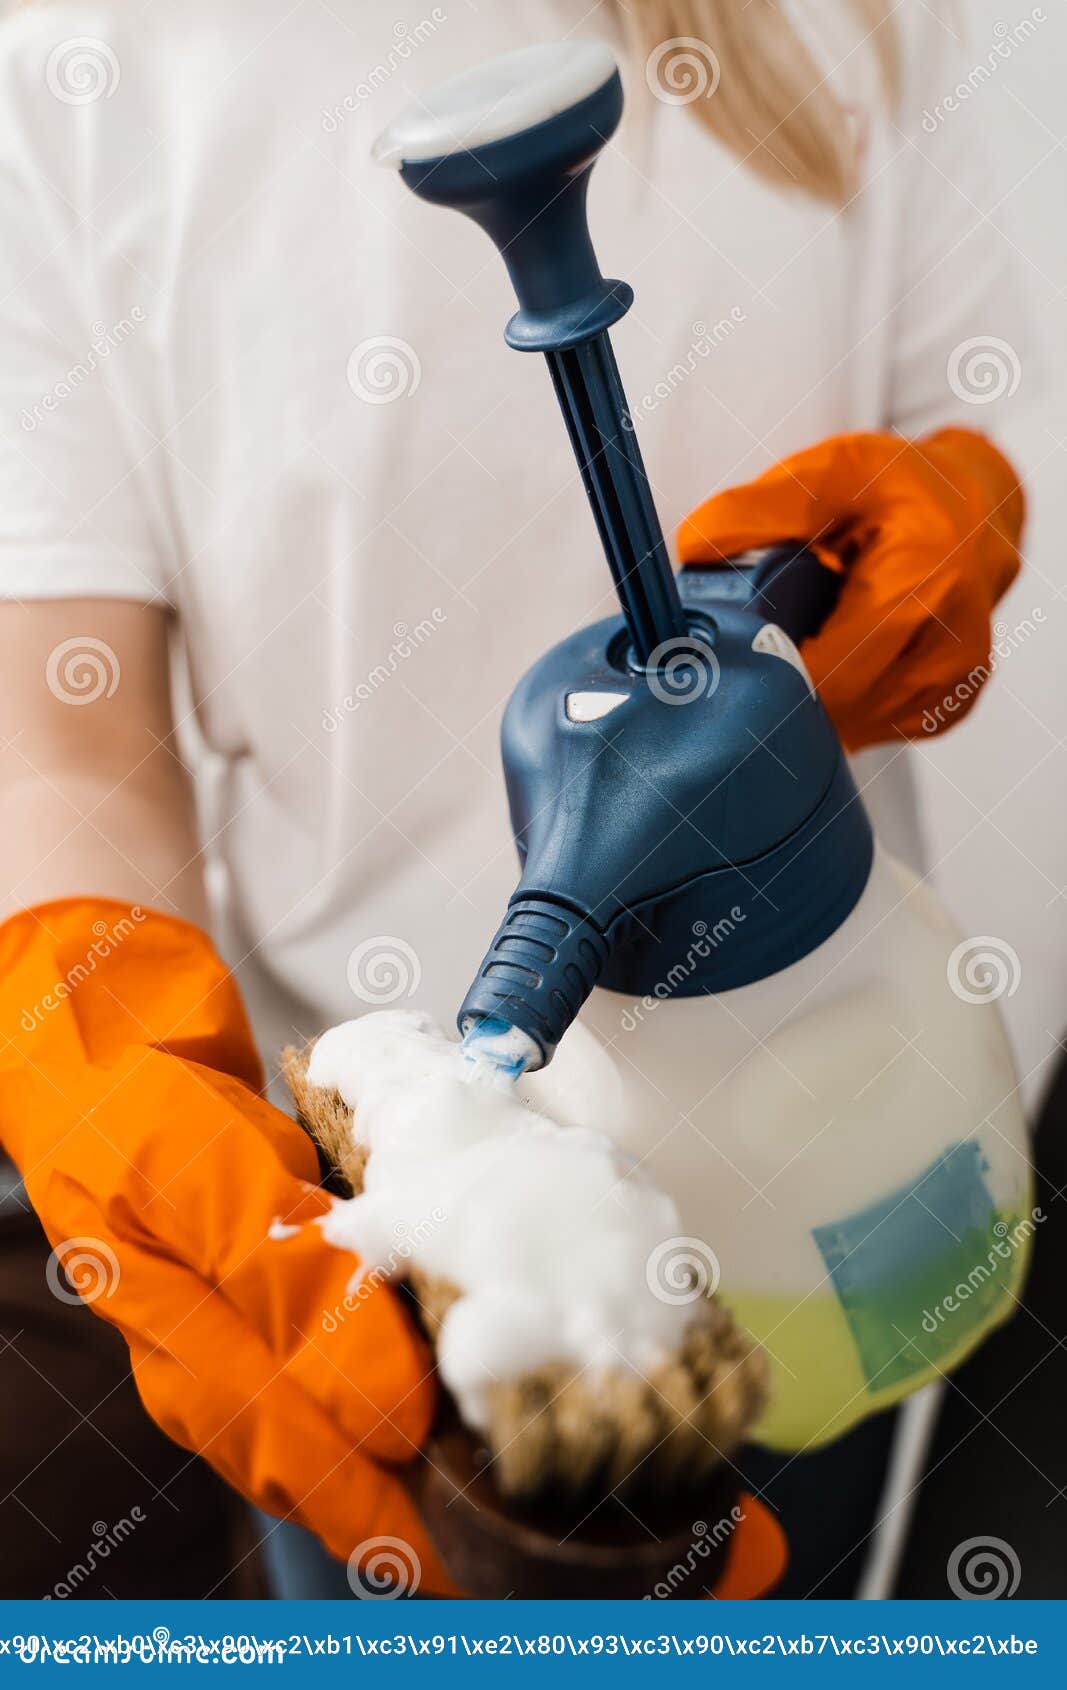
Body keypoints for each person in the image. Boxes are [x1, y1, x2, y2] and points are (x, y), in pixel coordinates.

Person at [0, 0, 1031, 1598]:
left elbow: (994, 395)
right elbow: (60, 726)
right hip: (377, 1271)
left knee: (821, 1580)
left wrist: (962, 501)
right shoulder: (62, 74)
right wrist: (95, 1035)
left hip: (833, 1144)